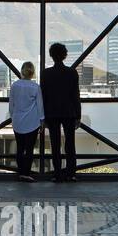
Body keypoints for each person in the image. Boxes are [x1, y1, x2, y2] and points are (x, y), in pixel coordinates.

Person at [40, 42, 80, 182]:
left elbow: (43, 96)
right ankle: (71, 174)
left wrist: (43, 116)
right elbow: (75, 96)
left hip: (52, 113)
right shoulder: (72, 72)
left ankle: (57, 174)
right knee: (70, 144)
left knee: (55, 144)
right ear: (65, 55)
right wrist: (78, 115)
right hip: (69, 112)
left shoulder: (46, 74)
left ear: (51, 55)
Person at [8, 61, 43, 181]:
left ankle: (20, 172)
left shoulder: (14, 86)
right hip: (32, 123)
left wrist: (13, 117)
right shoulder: (35, 87)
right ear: (32, 73)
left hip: (17, 122)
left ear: (22, 71)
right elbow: (40, 106)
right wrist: (42, 120)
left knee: (20, 148)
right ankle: (26, 173)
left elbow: (11, 105)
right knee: (29, 149)